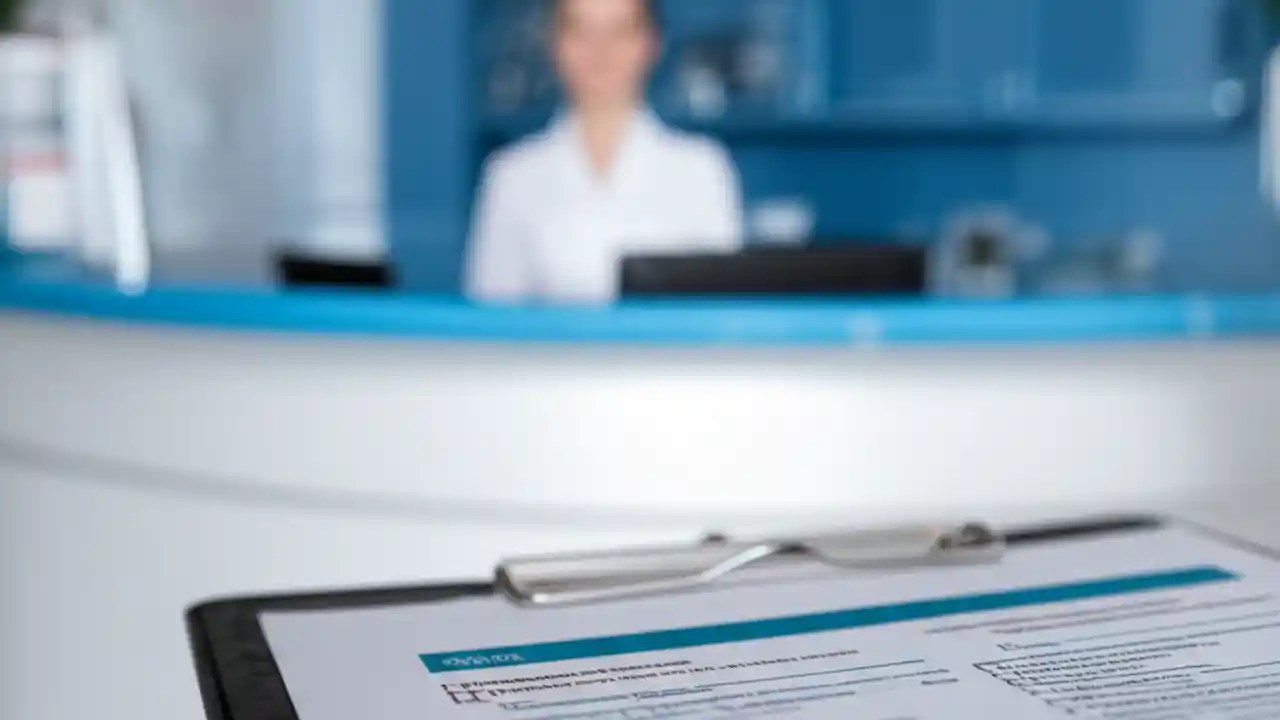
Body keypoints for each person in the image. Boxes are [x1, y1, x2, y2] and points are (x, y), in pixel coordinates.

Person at [466, 0, 744, 305]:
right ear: (553, 42)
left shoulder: (702, 169)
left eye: (620, 31)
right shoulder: (511, 176)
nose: (600, 51)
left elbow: (721, 313)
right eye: (581, 30)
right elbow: (490, 319)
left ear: (652, 42)